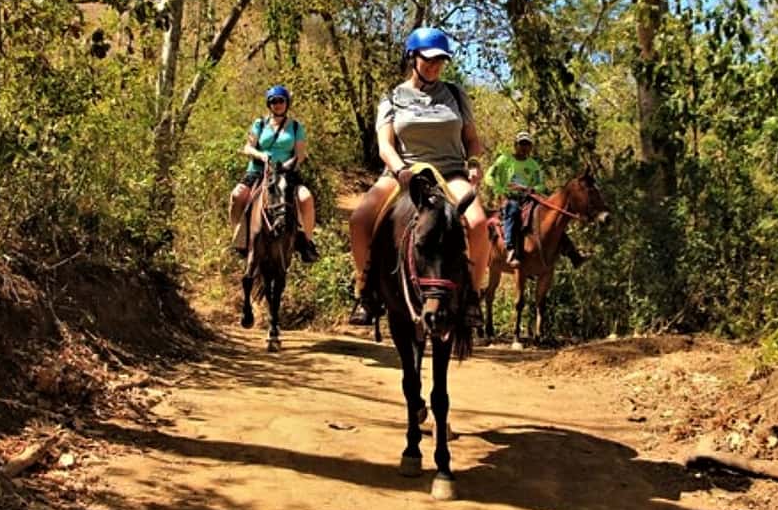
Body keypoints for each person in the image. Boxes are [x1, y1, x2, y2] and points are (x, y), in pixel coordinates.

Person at [348, 26, 490, 326]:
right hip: (404, 171)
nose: (435, 66)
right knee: (359, 219)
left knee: (478, 224)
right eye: (428, 60)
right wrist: (400, 170)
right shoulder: (392, 97)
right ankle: (365, 291)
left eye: (440, 60)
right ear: (412, 58)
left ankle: (472, 297)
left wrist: (474, 162)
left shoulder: (455, 94)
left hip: (449, 172)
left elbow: (472, 139)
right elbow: (385, 144)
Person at [229, 85, 319, 263]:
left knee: (305, 198)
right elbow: (248, 147)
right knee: (237, 195)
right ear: (268, 104)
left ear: (287, 103)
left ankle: (307, 242)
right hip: (258, 171)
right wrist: (260, 155)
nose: (277, 104)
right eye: (273, 101)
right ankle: (238, 239)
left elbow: (300, 154)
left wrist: (287, 166)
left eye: (280, 101)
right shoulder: (259, 124)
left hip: (286, 172)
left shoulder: (295, 127)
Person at [485, 131, 545, 267]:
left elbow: (541, 183)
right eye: (521, 144)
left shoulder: (534, 165)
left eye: (527, 144)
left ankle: (570, 252)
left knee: (549, 215)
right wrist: (500, 189)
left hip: (529, 198)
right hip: (509, 198)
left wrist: (534, 189)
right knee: (512, 209)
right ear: (515, 145)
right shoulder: (504, 160)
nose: (524, 147)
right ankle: (510, 248)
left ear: (531, 147)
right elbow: (489, 176)